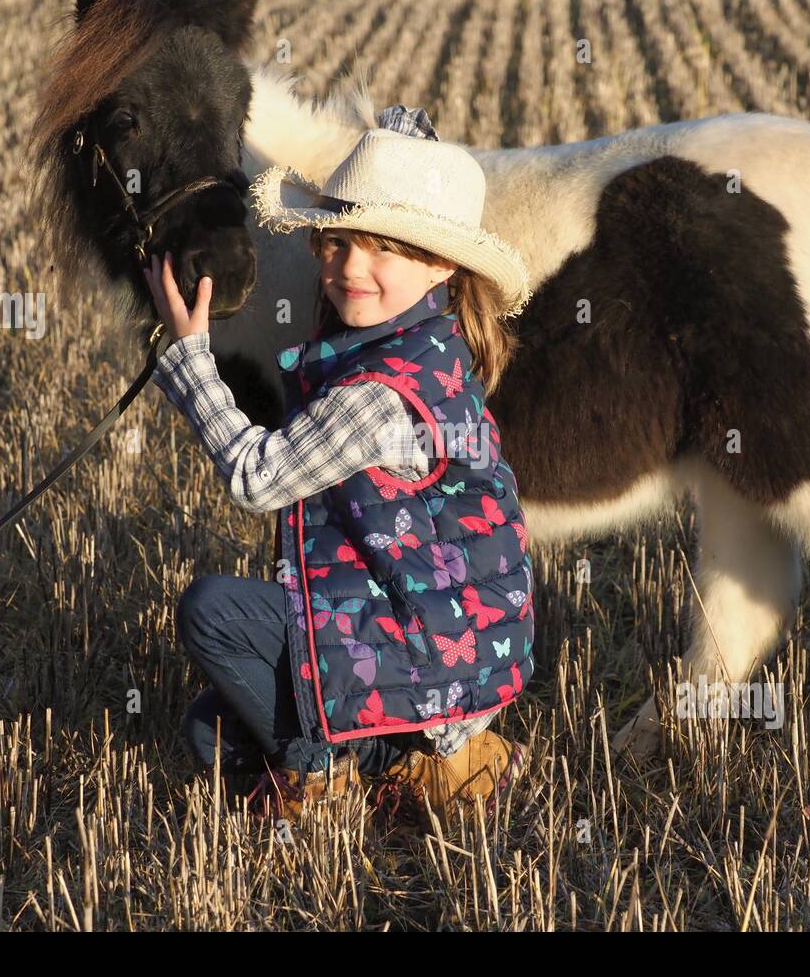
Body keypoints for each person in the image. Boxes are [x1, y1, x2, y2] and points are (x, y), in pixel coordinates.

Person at [144, 105, 536, 825]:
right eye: (338, 242)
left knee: (212, 612)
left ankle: (333, 775)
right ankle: (405, 761)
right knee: (211, 730)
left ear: (440, 265)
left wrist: (187, 356)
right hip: (439, 645)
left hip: (425, 652)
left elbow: (258, 476)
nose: (351, 267)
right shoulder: (428, 345)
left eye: (383, 248)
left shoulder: (378, 396)